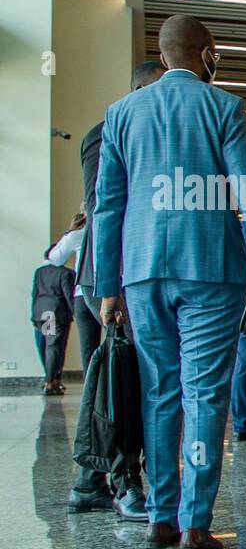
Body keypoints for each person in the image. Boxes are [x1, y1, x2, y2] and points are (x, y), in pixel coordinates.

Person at [94, 17, 246, 549]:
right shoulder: (224, 108)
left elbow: (107, 205)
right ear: (207, 52)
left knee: (160, 393)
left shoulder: (120, 113)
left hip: (140, 270)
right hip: (210, 266)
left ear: (162, 59)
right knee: (204, 395)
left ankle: (160, 517)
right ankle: (194, 524)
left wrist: (107, 284)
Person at [68, 60, 164, 522]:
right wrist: (114, 286)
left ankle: (88, 482)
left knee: (107, 377)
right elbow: (102, 208)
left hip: (121, 277)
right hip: (110, 278)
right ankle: (126, 484)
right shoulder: (106, 130)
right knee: (125, 381)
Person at [46, 208, 98, 383]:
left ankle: (91, 396)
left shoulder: (79, 235)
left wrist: (69, 231)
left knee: (88, 348)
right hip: (111, 293)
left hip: (83, 295)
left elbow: (54, 258)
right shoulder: (116, 229)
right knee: (121, 341)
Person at [31, 256, 74, 395]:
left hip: (41, 313)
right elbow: (69, 296)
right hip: (56, 313)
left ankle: (53, 379)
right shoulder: (65, 273)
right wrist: (76, 314)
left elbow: (34, 293)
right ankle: (50, 382)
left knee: (46, 347)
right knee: (55, 348)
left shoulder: (39, 272)